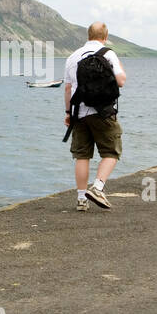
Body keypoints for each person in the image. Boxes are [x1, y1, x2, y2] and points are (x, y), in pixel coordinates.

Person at [64, 22, 126, 210]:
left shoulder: (72, 57)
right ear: (105, 36)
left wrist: (68, 113)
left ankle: (82, 199)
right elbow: (121, 81)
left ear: (88, 35)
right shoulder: (108, 53)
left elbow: (68, 89)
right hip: (103, 112)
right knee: (111, 151)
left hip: (79, 113)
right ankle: (98, 187)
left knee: (82, 155)